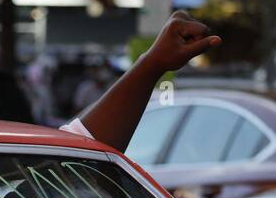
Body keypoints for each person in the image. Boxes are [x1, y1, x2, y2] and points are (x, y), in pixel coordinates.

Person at [60, 11, 221, 151]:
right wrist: (152, 64)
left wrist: (152, 64)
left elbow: (79, 151)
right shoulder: (86, 89)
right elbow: (80, 153)